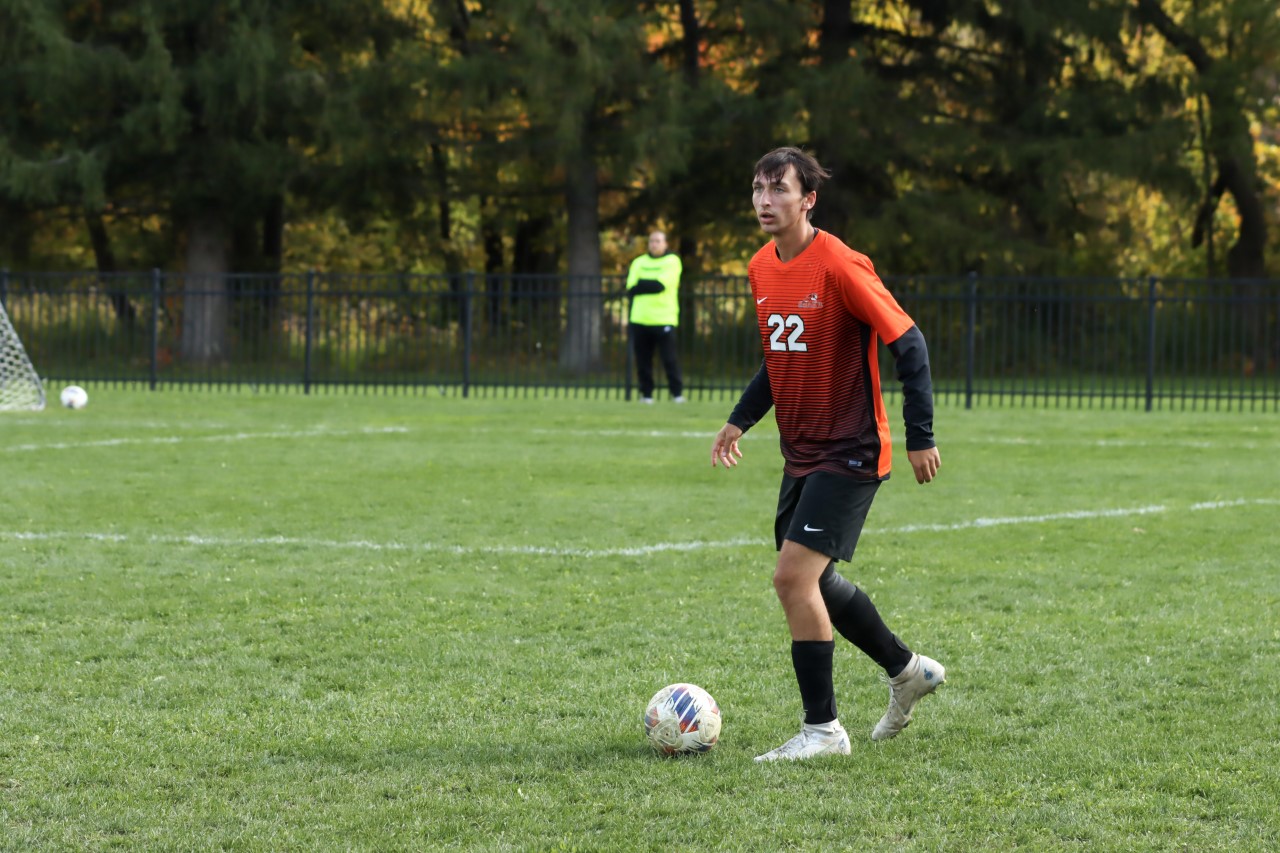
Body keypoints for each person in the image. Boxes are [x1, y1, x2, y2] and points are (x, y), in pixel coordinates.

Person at [710, 147, 945, 762]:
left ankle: (822, 731)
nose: (766, 201)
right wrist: (740, 420)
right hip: (802, 453)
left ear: (808, 199)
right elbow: (780, 356)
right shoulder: (763, 267)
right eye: (758, 189)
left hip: (852, 449)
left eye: (779, 190)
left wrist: (920, 434)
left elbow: (909, 341)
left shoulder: (839, 263)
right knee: (816, 580)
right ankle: (905, 669)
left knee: (791, 578)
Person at [626, 230, 685, 403]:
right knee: (643, 361)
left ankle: (677, 394)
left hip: (664, 318)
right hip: (640, 318)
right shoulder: (639, 262)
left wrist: (643, 284)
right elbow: (631, 287)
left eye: (658, 241)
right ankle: (646, 395)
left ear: (665, 244)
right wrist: (647, 284)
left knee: (669, 359)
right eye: (652, 241)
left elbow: (661, 285)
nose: (654, 244)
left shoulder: (672, 261)